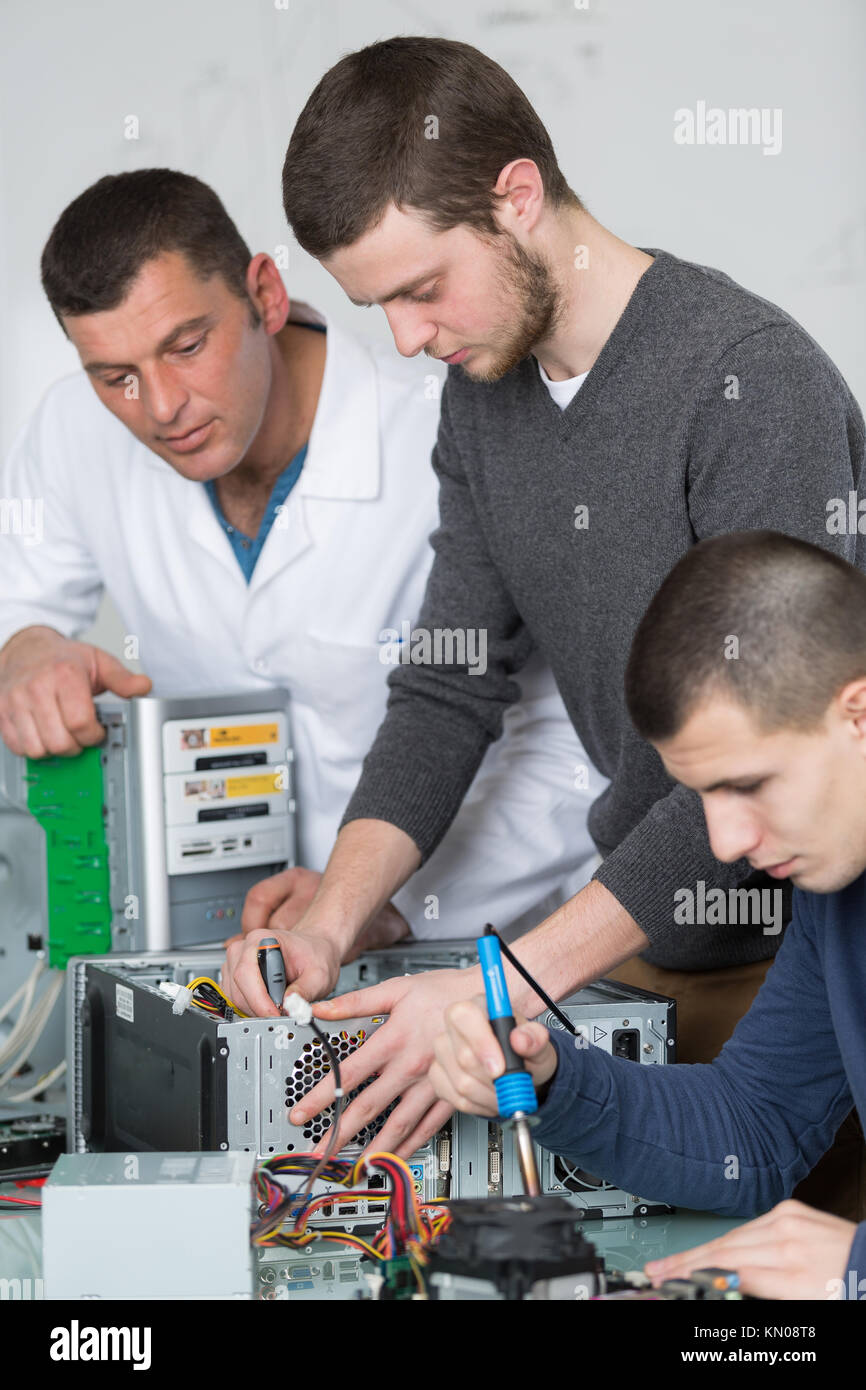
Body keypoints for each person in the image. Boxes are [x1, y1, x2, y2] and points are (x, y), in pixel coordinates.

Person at [221, 35, 866, 1223]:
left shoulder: (747, 383)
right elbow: (444, 687)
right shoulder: (480, 405)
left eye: (420, 288)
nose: (405, 339)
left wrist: (503, 981)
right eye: (378, 306)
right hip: (627, 962)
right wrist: (331, 919)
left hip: (794, 969)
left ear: (516, 198)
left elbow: (782, 745)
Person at [0, 168, 599, 951]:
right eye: (116, 377)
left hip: (481, 941)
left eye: (186, 346)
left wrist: (385, 899)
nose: (161, 407)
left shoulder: (438, 433)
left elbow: (571, 742)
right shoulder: (73, 432)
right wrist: (24, 647)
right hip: (241, 952)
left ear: (265, 295)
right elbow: (22, 602)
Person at [430, 531, 866, 1300]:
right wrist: (554, 1080)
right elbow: (754, 1129)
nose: (727, 842)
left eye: (749, 783)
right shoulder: (834, 889)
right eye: (703, 796)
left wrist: (857, 1268)